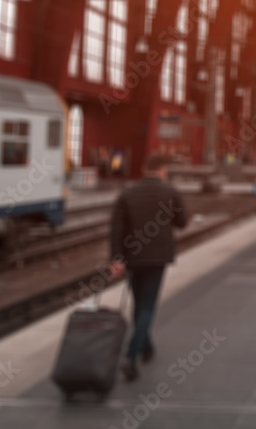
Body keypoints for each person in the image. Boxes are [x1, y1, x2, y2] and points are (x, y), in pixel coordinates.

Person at [109, 154, 187, 381]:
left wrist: (116, 259)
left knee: (140, 303)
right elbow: (182, 222)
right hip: (157, 258)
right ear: (163, 169)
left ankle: (147, 346)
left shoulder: (127, 193)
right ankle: (132, 356)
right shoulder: (170, 192)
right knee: (147, 306)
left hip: (133, 257)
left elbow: (116, 229)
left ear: (144, 168)